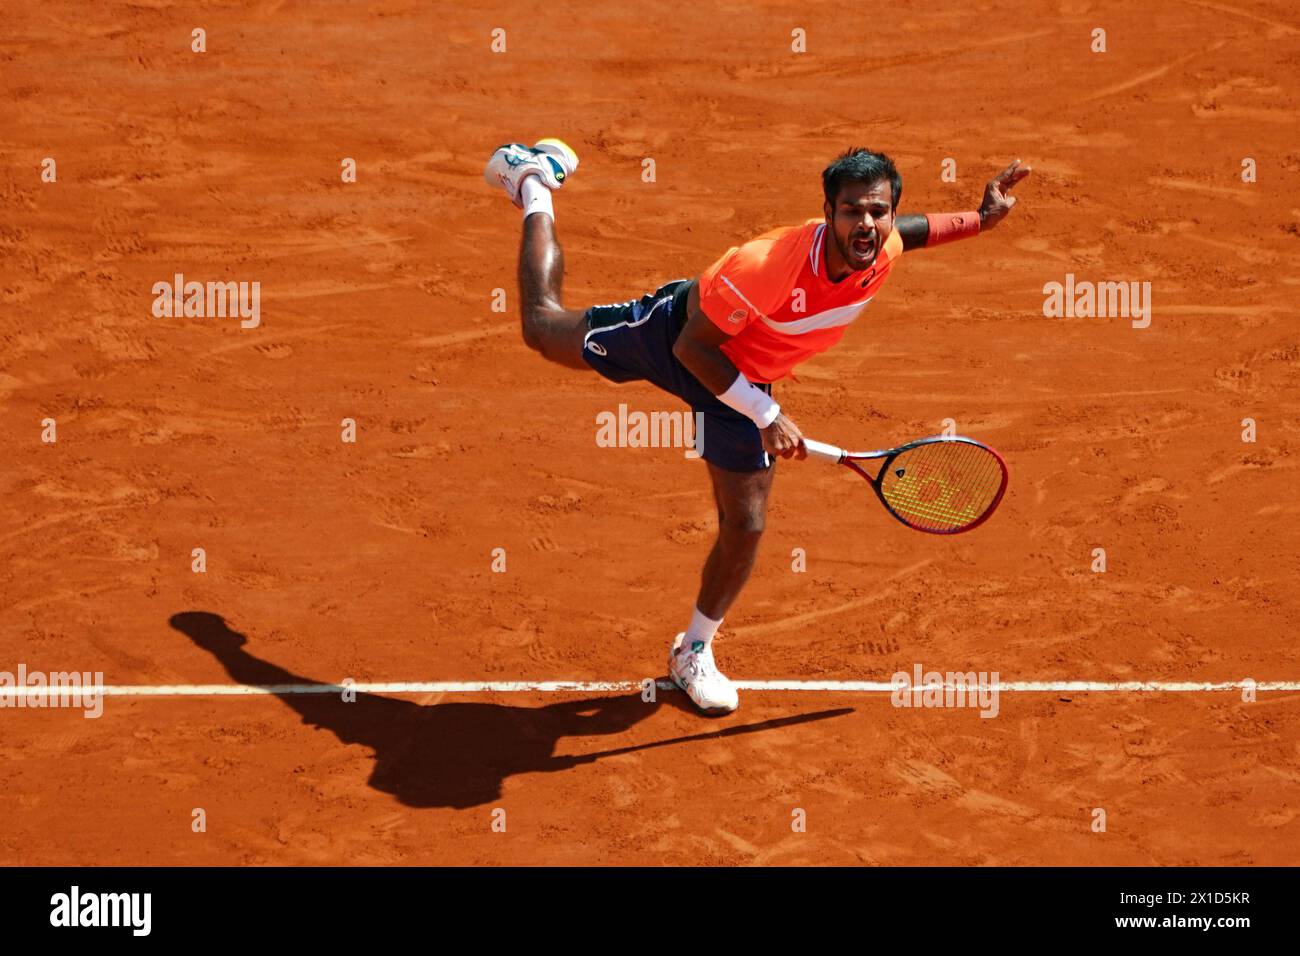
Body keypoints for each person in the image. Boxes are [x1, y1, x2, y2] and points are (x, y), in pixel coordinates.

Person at [484, 139, 1029, 715]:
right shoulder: (768, 267)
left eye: (878, 211)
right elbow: (692, 347)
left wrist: (980, 219)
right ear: (828, 214)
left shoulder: (885, 243)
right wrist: (767, 416)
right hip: (682, 339)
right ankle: (535, 183)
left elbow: (918, 231)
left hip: (740, 383)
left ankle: (693, 648)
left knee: (745, 523)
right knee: (543, 328)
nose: (866, 225)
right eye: (851, 212)